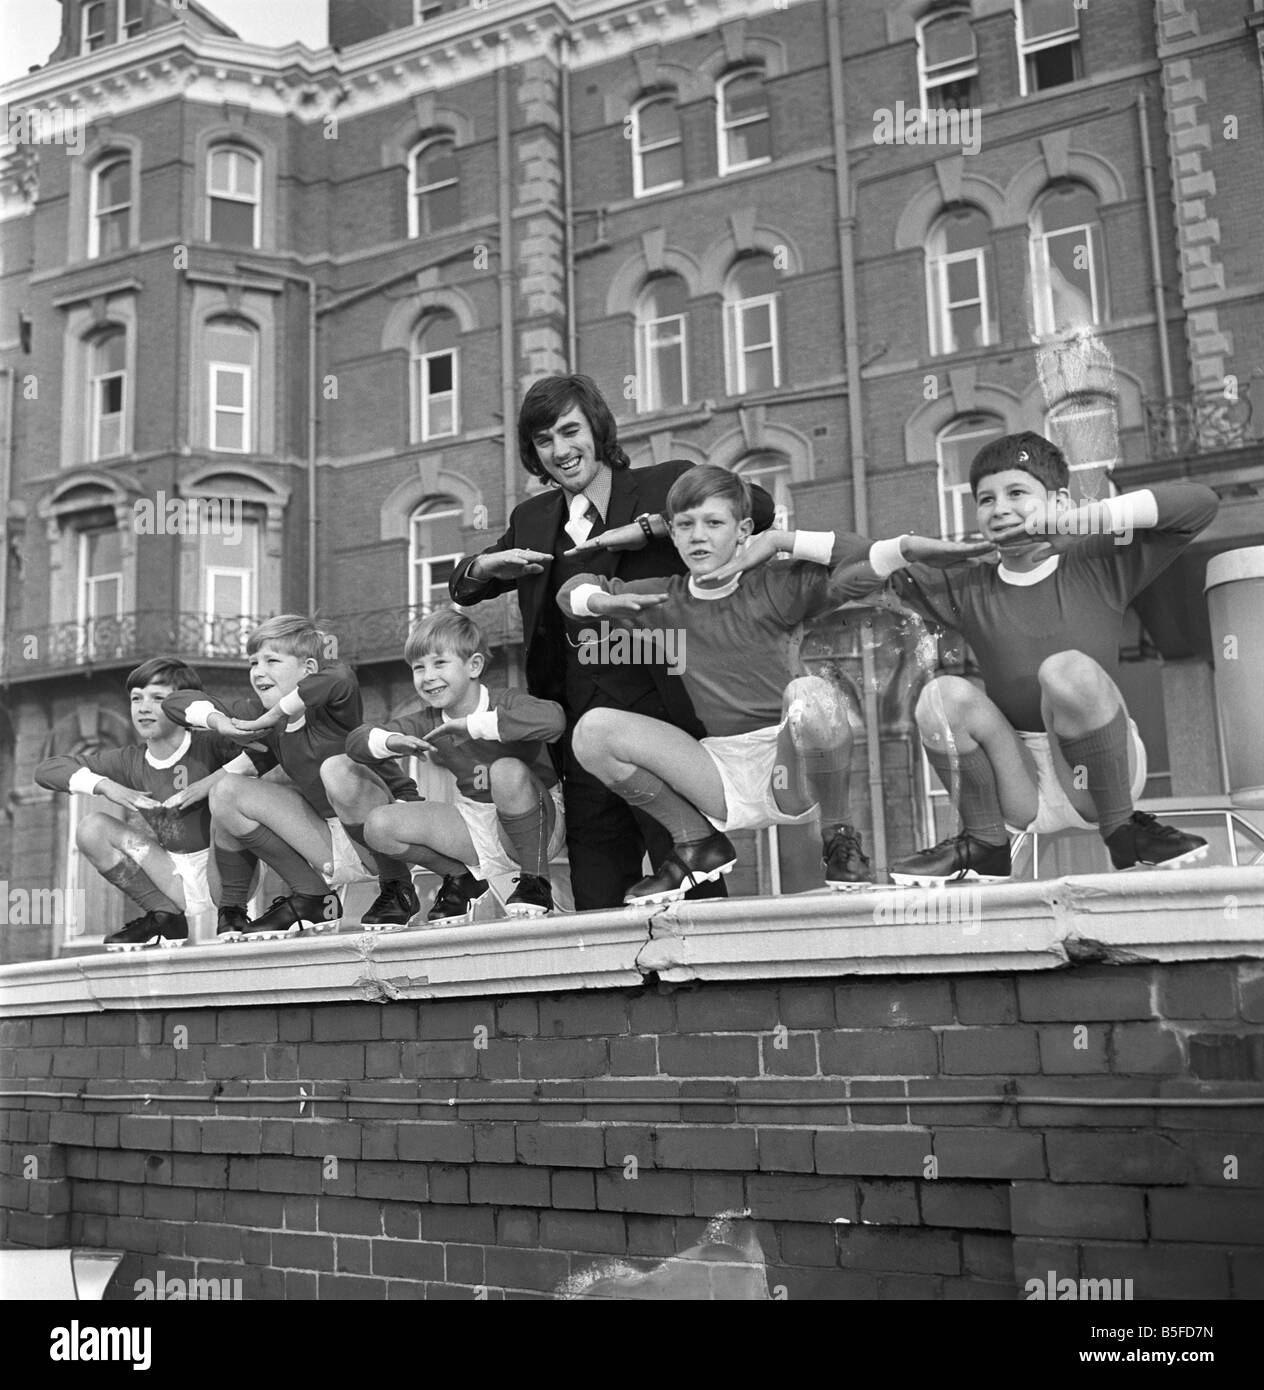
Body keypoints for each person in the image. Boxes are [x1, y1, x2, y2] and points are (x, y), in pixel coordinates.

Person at [555, 465, 994, 903]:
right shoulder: (661, 598)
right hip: (718, 772)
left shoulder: (775, 585)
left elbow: (860, 555)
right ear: (671, 533)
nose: (698, 536)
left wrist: (782, 540)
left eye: (713, 523)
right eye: (685, 525)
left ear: (744, 529)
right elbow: (571, 590)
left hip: (791, 761)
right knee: (593, 731)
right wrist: (600, 600)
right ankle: (696, 842)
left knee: (810, 694)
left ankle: (838, 835)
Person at [449, 373, 778, 911]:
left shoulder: (665, 483)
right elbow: (463, 587)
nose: (560, 450)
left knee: (697, 893)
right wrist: (486, 563)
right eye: (544, 440)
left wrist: (655, 527)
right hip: (579, 739)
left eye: (569, 430)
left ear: (598, 429)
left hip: (664, 729)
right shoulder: (531, 519)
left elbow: (756, 508)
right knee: (598, 903)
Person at [868, 431, 1220, 884]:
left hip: (1095, 773)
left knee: (1063, 669)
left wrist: (1080, 523)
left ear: (1057, 501)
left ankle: (1124, 830)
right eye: (985, 499)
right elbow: (852, 574)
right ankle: (985, 846)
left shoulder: (1098, 560)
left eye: (1017, 493)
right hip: (1019, 782)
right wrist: (904, 549)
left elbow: (1200, 503)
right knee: (940, 695)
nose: (999, 509)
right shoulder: (968, 585)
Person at [163, 615, 422, 940]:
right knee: (226, 791)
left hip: (393, 835)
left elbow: (340, 675)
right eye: (253, 662)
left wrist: (275, 713)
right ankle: (311, 897)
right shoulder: (268, 723)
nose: (258, 671)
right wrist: (219, 722)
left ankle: (398, 888)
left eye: (272, 660)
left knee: (337, 769)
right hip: (328, 842)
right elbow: (174, 703)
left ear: (308, 669)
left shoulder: (333, 709)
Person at [345, 610, 567, 923]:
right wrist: (393, 740)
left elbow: (554, 720)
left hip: (540, 822)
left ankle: (536, 881)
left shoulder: (506, 701)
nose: (428, 676)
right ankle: (462, 879)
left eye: (439, 663)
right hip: (475, 823)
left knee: (504, 770)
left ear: (473, 665)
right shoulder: (427, 720)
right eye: (418, 668)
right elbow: (356, 741)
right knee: (379, 825)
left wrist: (474, 726)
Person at [34, 656, 255, 950]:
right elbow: (46, 770)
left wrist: (210, 782)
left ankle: (234, 911)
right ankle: (165, 916)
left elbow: (266, 751)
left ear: (182, 707)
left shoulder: (212, 743)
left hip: (227, 868)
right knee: (92, 828)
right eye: (136, 698)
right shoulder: (130, 760)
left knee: (229, 793)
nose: (143, 707)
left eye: (158, 698)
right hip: (172, 873)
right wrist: (106, 786)